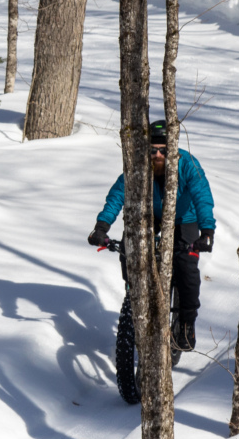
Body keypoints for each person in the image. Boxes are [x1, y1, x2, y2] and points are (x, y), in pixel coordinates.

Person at [88, 120, 216, 351]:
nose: (157, 154)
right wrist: (102, 226)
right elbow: (119, 193)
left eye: (164, 150)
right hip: (150, 215)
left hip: (184, 218)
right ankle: (135, 292)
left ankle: (186, 322)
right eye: (152, 149)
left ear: (173, 149)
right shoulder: (139, 164)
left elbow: (202, 195)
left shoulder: (188, 164)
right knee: (130, 247)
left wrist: (207, 231)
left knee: (186, 266)